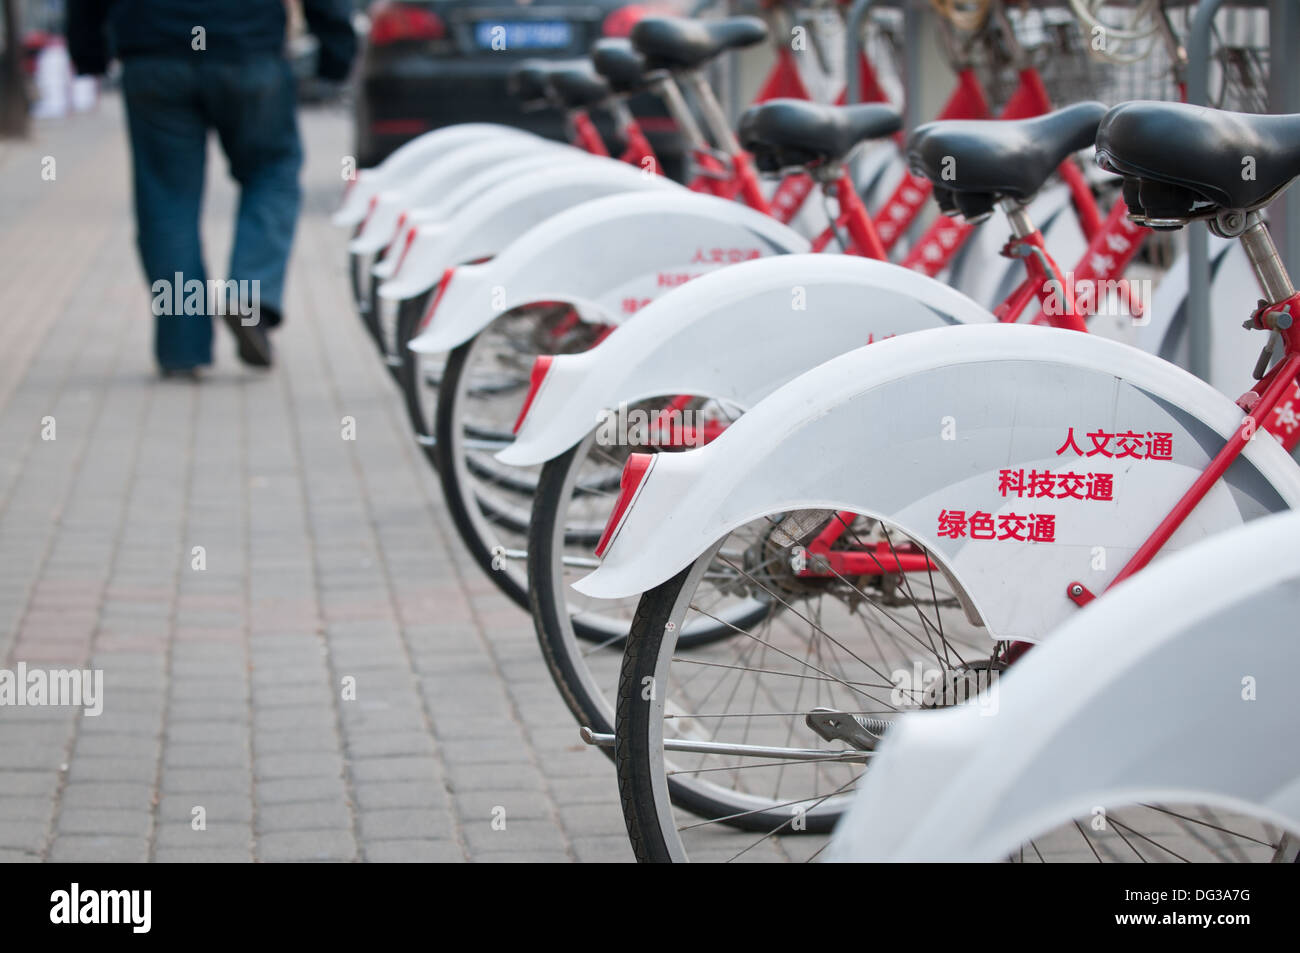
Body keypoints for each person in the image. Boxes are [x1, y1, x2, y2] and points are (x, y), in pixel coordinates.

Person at [66, 1, 357, 374]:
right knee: (272, 172)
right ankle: (251, 293)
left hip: (155, 53)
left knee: (166, 201)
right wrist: (336, 46)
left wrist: (87, 47)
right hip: (247, 49)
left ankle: (182, 344)